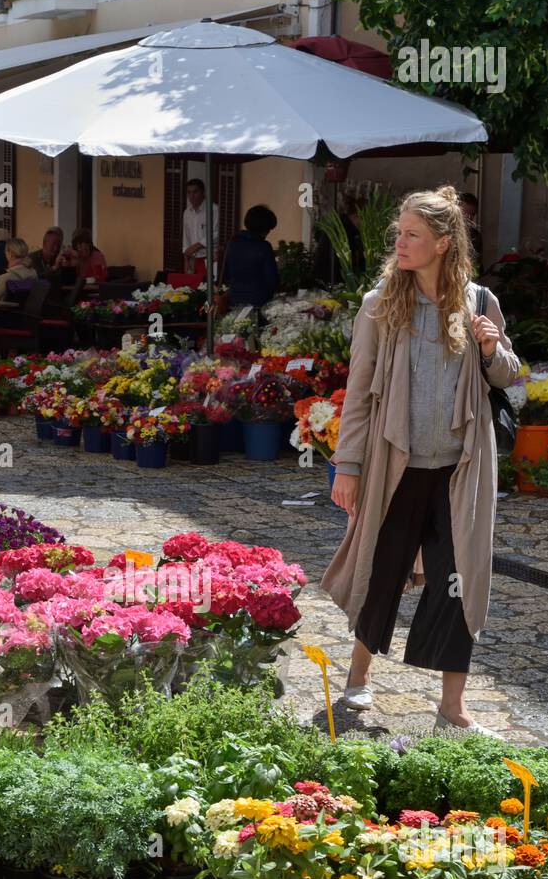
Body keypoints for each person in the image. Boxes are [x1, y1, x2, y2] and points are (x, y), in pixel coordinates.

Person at [321, 184, 521, 733]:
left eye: (412, 234)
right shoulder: (382, 303)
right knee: (380, 571)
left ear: (442, 243)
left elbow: (509, 376)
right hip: (396, 465)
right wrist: (350, 465)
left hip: (460, 469)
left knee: (456, 579)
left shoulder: (479, 302)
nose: (400, 243)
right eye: (399, 234)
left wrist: (490, 348)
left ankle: (451, 707)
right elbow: (359, 390)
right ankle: (358, 681)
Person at [221, 204, 280, 307]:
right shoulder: (264, 247)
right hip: (259, 300)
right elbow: (272, 279)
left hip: (235, 299)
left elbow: (226, 273)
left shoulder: (232, 242)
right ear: (264, 229)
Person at [183, 178, 219, 275]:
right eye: (189, 192)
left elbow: (217, 233)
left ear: (203, 192)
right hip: (193, 259)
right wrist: (186, 259)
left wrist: (198, 245)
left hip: (210, 257)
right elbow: (186, 237)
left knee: (208, 288)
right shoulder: (187, 212)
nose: (192, 196)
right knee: (192, 288)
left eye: (195, 192)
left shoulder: (213, 210)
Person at [459, 192, 484, 274]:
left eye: (472, 214)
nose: (469, 218)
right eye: (465, 213)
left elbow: (477, 264)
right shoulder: (442, 232)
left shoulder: (475, 235)